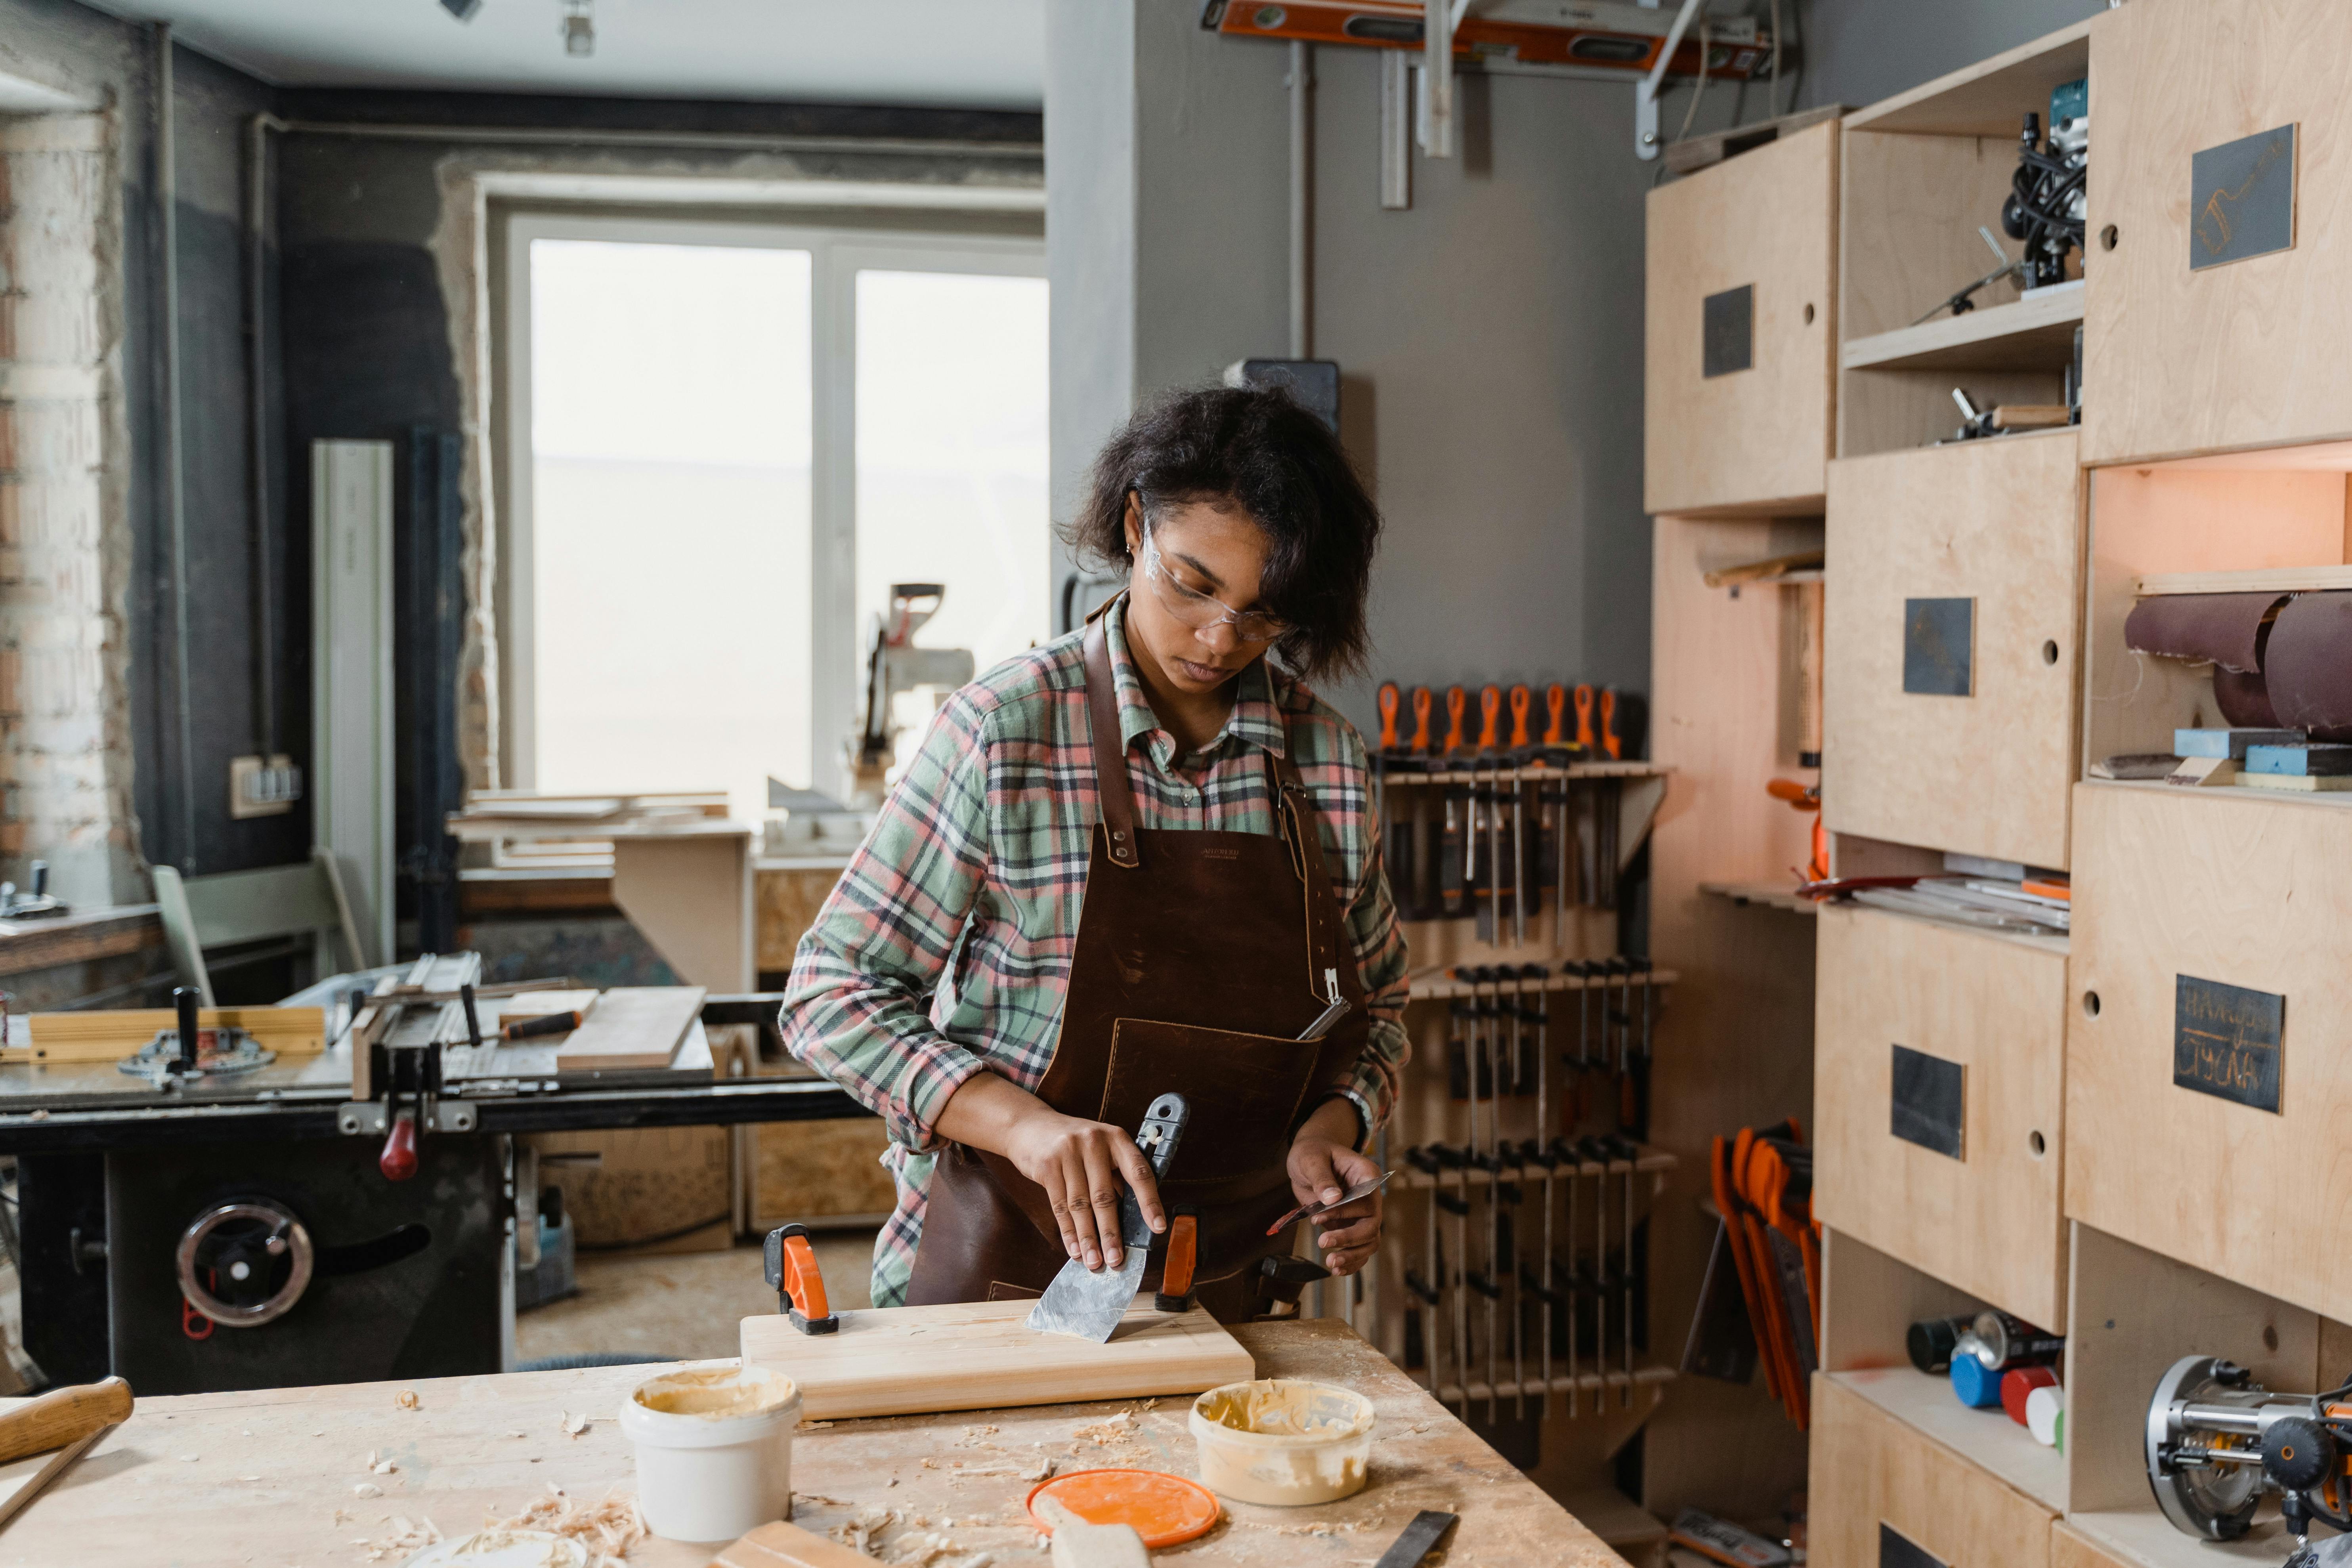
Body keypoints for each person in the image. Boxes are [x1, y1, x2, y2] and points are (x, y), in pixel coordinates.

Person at [781, 384, 1408, 1320]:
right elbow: (831, 993)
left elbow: (1380, 1006)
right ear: (1135, 526)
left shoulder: (1329, 763)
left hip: (1225, 1294)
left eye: (1263, 611)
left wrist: (1335, 1123)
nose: (1220, 637)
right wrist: (1022, 1126)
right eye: (1193, 583)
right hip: (999, 1273)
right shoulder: (1005, 731)